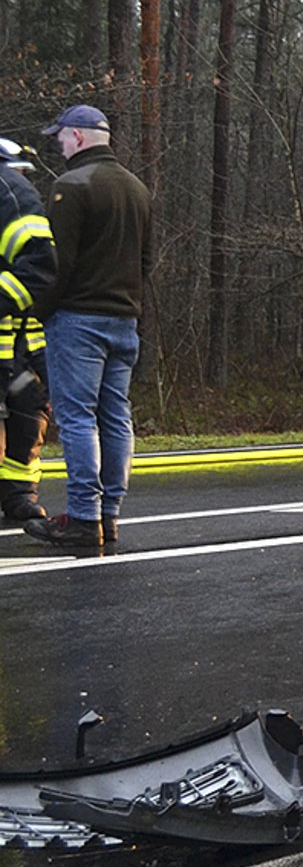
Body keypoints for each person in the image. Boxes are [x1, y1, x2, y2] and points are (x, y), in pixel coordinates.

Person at [26, 104, 150, 550]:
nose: (58, 145)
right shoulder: (137, 188)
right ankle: (109, 514)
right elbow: (145, 261)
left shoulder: (72, 186)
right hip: (124, 318)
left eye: (60, 137)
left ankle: (82, 516)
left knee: (78, 417)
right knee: (115, 415)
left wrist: (38, 312)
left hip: (78, 320)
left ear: (77, 137)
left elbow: (57, 264)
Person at [0, 137, 54, 522]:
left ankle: (18, 495)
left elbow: (37, 269)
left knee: (27, 414)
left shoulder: (14, 201)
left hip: (20, 342)